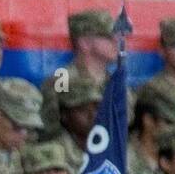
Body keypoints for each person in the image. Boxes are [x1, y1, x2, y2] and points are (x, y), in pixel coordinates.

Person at [38, 8, 116, 140]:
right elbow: (49, 128)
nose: (116, 42)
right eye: (108, 37)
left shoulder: (116, 83)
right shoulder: (62, 80)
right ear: (84, 43)